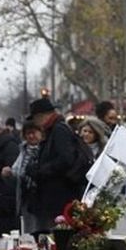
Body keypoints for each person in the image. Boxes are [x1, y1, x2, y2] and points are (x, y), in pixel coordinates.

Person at [24, 98, 83, 236]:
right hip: (55, 195)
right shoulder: (54, 130)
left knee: (58, 236)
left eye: (35, 118)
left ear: (42, 116)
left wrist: (40, 171)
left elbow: (65, 159)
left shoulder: (59, 130)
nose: (35, 123)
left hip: (60, 196)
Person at [7, 121, 43, 234]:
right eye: (28, 133)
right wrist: (9, 174)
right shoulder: (22, 150)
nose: (31, 136)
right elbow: (17, 171)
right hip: (25, 197)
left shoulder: (45, 150)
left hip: (42, 197)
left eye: (34, 133)